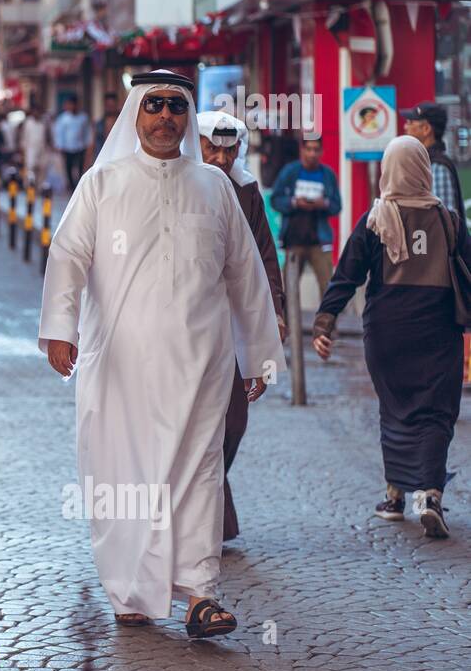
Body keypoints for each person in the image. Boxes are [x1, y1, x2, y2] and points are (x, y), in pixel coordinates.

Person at [39, 70, 283, 636]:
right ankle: (131, 590)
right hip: (120, 365)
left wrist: (261, 355)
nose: (166, 116)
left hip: (202, 361)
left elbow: (245, 275)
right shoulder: (103, 182)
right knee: (127, 477)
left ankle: (201, 593)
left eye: (177, 106)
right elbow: (69, 256)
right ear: (135, 115)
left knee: (201, 473)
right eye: (155, 106)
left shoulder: (215, 187)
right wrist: (60, 327)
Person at [313, 136, 468, 539]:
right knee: (436, 411)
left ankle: (395, 495)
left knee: (395, 409)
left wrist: (326, 320)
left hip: (387, 331)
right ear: (423, 170)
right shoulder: (448, 219)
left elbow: (347, 274)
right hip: (438, 328)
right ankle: (430, 494)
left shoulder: (375, 219)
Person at [198, 112, 287, 543]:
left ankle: (205, 504)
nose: (218, 157)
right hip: (186, 324)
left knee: (232, 422)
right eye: (210, 148)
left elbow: (264, 253)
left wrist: (277, 311)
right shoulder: (179, 184)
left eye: (228, 150)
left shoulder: (246, 189)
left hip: (235, 322)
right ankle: (201, 519)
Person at [270, 136, 342, 303]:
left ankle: (326, 328)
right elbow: (275, 199)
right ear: (302, 150)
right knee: (289, 287)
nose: (312, 154)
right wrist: (295, 202)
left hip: (320, 240)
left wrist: (323, 204)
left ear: (321, 152)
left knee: (328, 287)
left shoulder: (327, 174)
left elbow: (337, 205)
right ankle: (287, 326)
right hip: (294, 239)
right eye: (309, 149)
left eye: (316, 150)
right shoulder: (290, 172)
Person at [400, 101, 465, 225]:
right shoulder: (424, 162)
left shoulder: (437, 166)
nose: (405, 127)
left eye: (410, 122)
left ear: (426, 129)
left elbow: (444, 220)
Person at [52, 95, 93, 190]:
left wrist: (88, 145)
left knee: (79, 168)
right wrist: (59, 146)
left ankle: (79, 187)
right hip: (67, 148)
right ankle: (71, 187)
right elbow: (59, 133)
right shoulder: (63, 118)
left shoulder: (83, 118)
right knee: (68, 168)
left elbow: (87, 132)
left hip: (80, 147)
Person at [18, 109, 49, 187]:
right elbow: (24, 137)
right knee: (30, 167)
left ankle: (40, 186)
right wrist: (23, 150)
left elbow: (46, 136)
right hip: (30, 149)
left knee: (41, 168)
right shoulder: (28, 123)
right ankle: (29, 186)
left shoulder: (43, 123)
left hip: (42, 149)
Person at [95, 91, 120, 157]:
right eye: (108, 105)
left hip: (118, 158)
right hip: (102, 159)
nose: (110, 108)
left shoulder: (123, 124)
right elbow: (92, 144)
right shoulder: (99, 124)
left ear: (116, 105)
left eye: (112, 105)